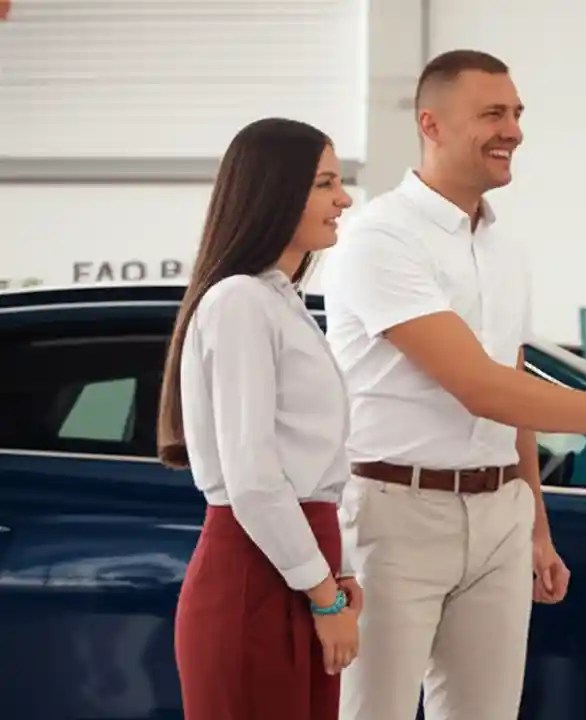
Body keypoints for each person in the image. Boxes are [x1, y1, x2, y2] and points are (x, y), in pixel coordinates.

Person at [321, 49, 586, 720]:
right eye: (492, 114)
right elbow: (479, 388)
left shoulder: (504, 250)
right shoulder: (380, 239)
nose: (513, 130)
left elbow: (511, 392)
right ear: (432, 124)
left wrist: (535, 523)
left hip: (497, 516)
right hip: (395, 513)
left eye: (516, 113)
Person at [157, 117, 362, 720]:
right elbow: (253, 477)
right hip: (257, 569)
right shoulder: (241, 301)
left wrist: (337, 571)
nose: (343, 199)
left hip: (296, 565)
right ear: (276, 191)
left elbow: (311, 459)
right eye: (326, 183)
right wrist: (325, 597)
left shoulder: (277, 299)